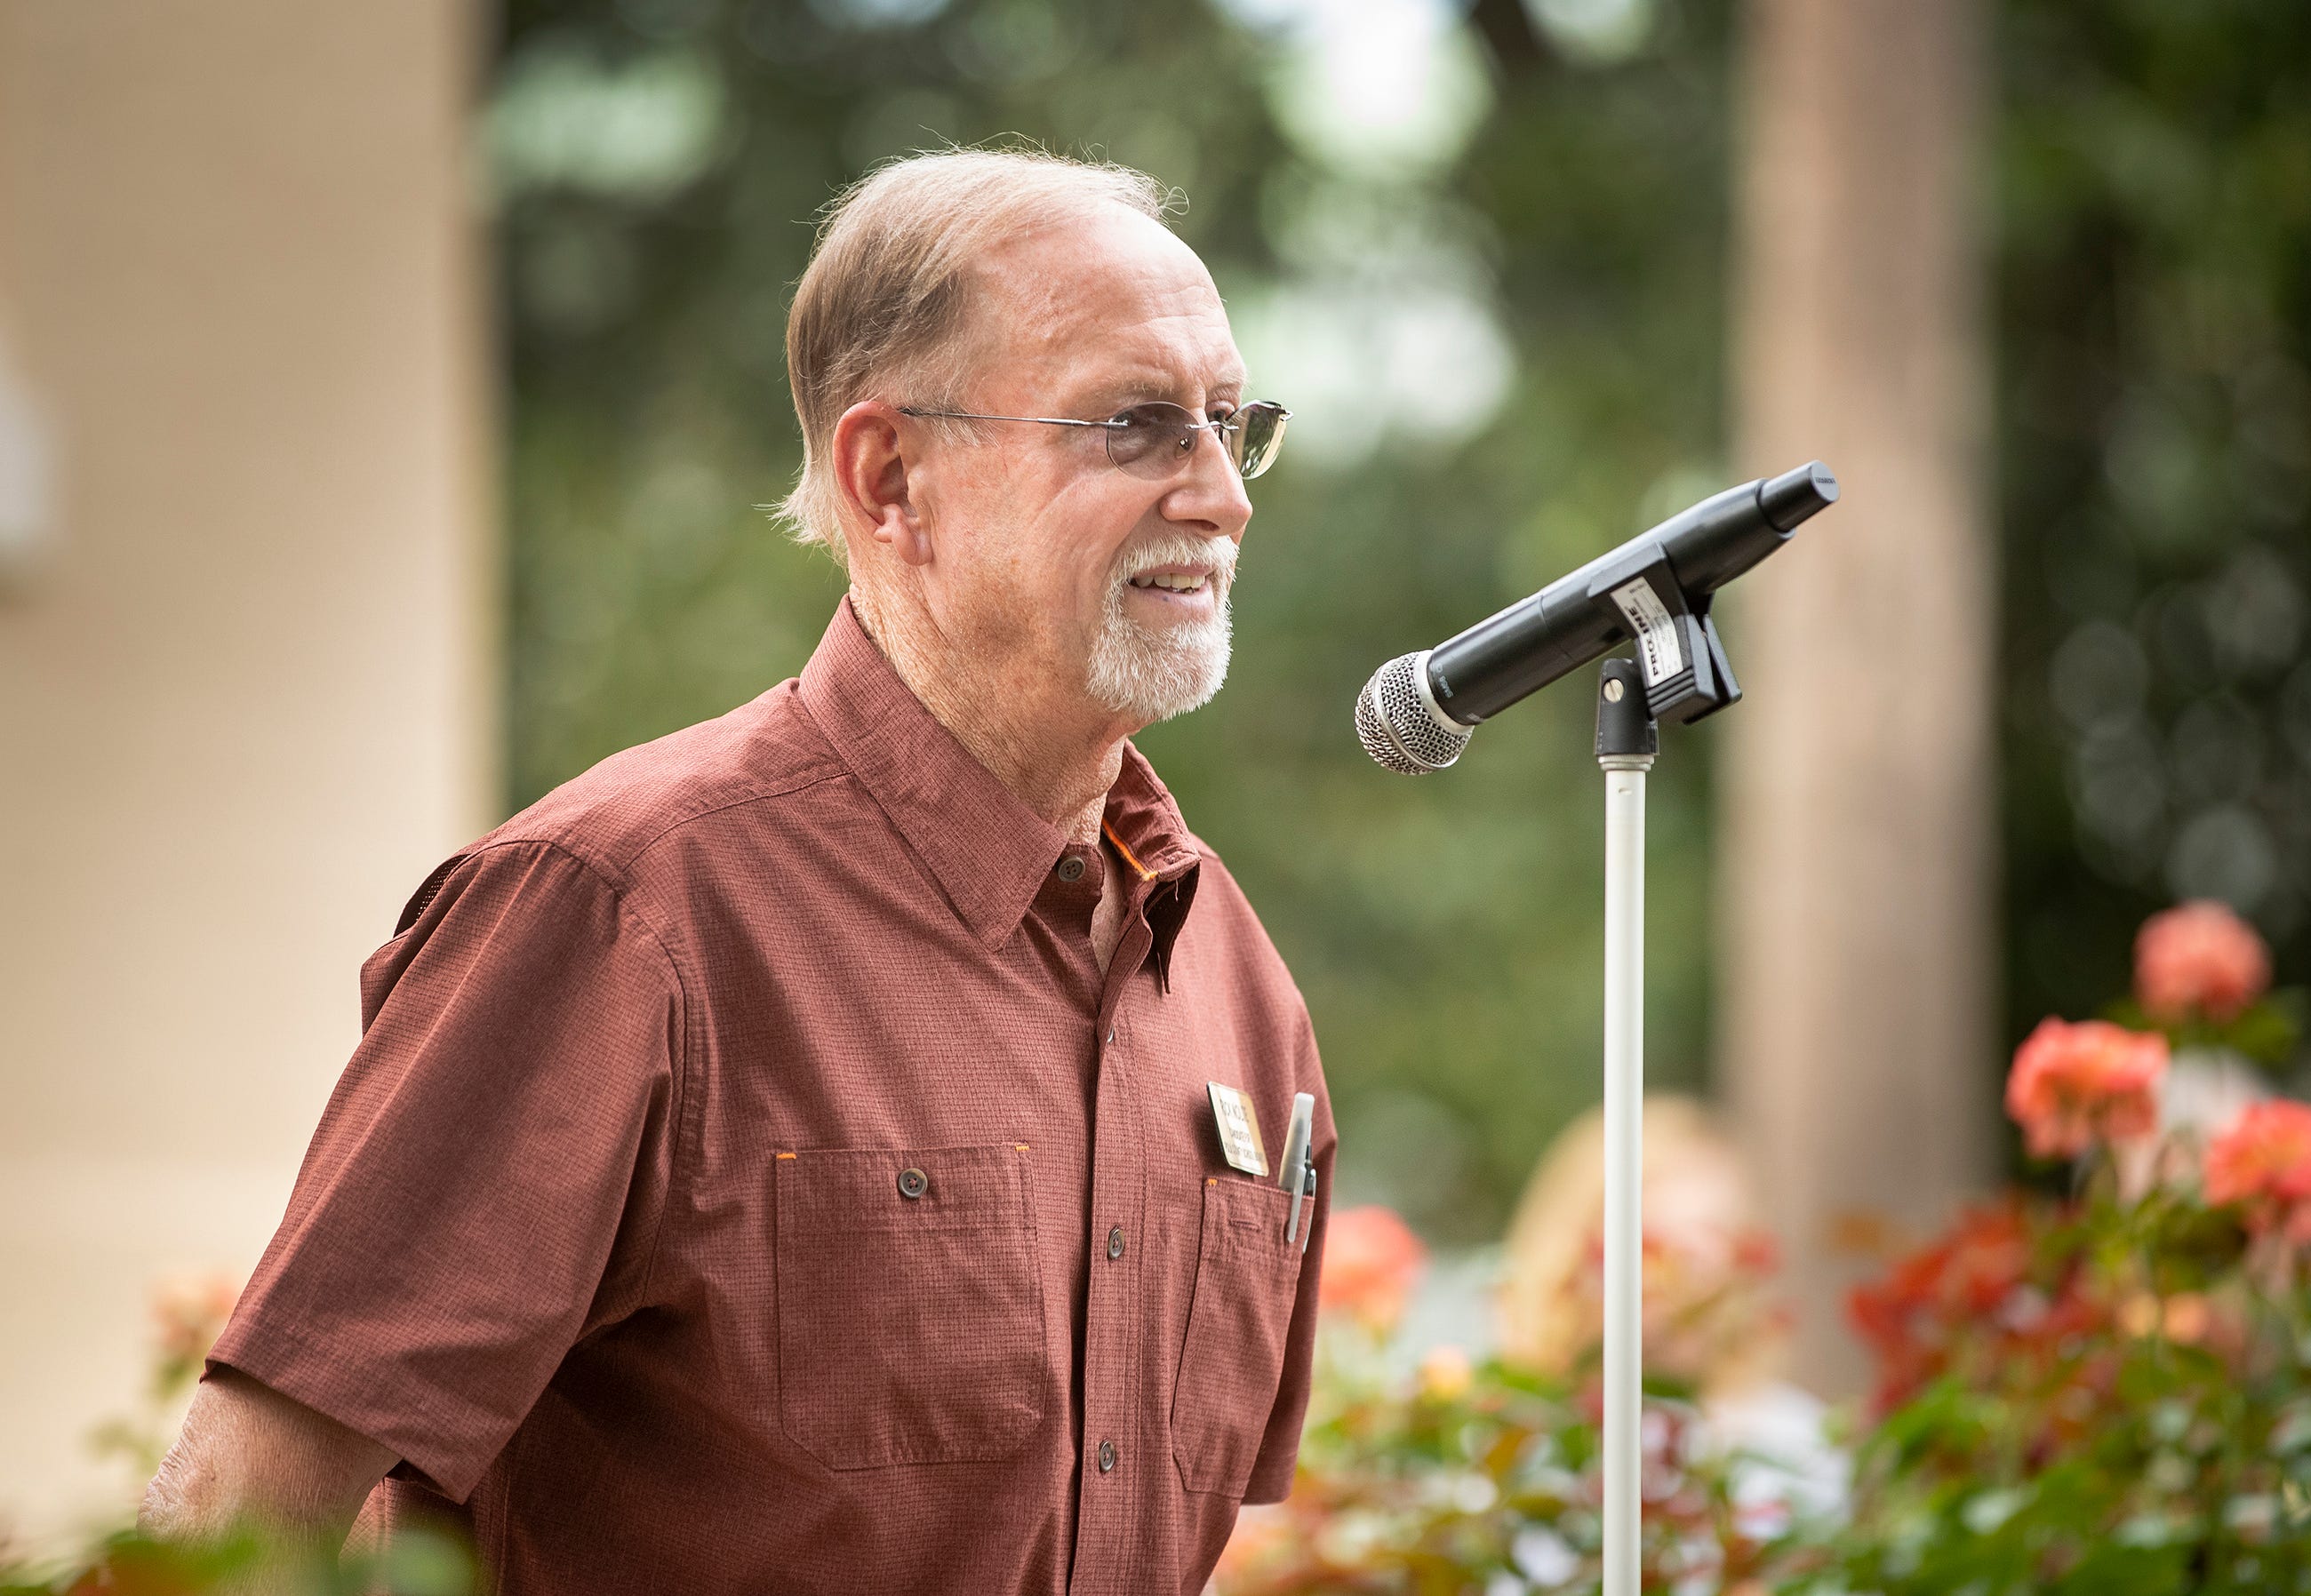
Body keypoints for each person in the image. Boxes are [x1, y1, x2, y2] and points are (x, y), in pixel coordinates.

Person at [141, 147, 1335, 1596]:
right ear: (891, 478)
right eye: (1140, 425)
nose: (1221, 497)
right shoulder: (617, 911)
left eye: (1231, 425)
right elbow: (236, 1518)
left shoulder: (1231, 979)